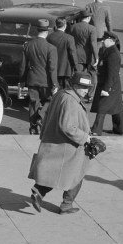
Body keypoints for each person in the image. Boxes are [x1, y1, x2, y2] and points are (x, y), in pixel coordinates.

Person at [27, 71, 96, 215]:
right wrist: (86, 138)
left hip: (56, 142)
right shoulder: (70, 101)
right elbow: (68, 127)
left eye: (88, 88)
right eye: (83, 87)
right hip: (69, 146)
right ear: (75, 86)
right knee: (77, 174)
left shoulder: (62, 94)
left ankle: (38, 192)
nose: (86, 91)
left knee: (54, 173)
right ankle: (66, 205)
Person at [19, 19, 58, 135]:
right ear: (47, 32)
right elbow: (52, 68)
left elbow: (23, 65)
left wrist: (21, 81)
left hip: (32, 79)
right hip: (46, 81)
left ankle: (33, 127)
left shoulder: (28, 45)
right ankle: (41, 117)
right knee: (50, 100)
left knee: (33, 103)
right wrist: (55, 83)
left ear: (37, 30)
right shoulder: (51, 48)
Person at [90, 31, 123, 135]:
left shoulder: (113, 54)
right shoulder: (108, 51)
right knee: (116, 107)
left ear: (111, 40)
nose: (103, 41)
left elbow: (112, 73)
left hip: (109, 85)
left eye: (105, 40)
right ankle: (119, 128)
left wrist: (106, 89)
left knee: (102, 107)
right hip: (111, 84)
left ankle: (96, 130)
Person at [46, 17, 77, 89]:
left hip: (52, 68)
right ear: (65, 25)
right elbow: (72, 54)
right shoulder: (69, 38)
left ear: (56, 25)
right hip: (65, 70)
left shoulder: (49, 37)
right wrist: (75, 67)